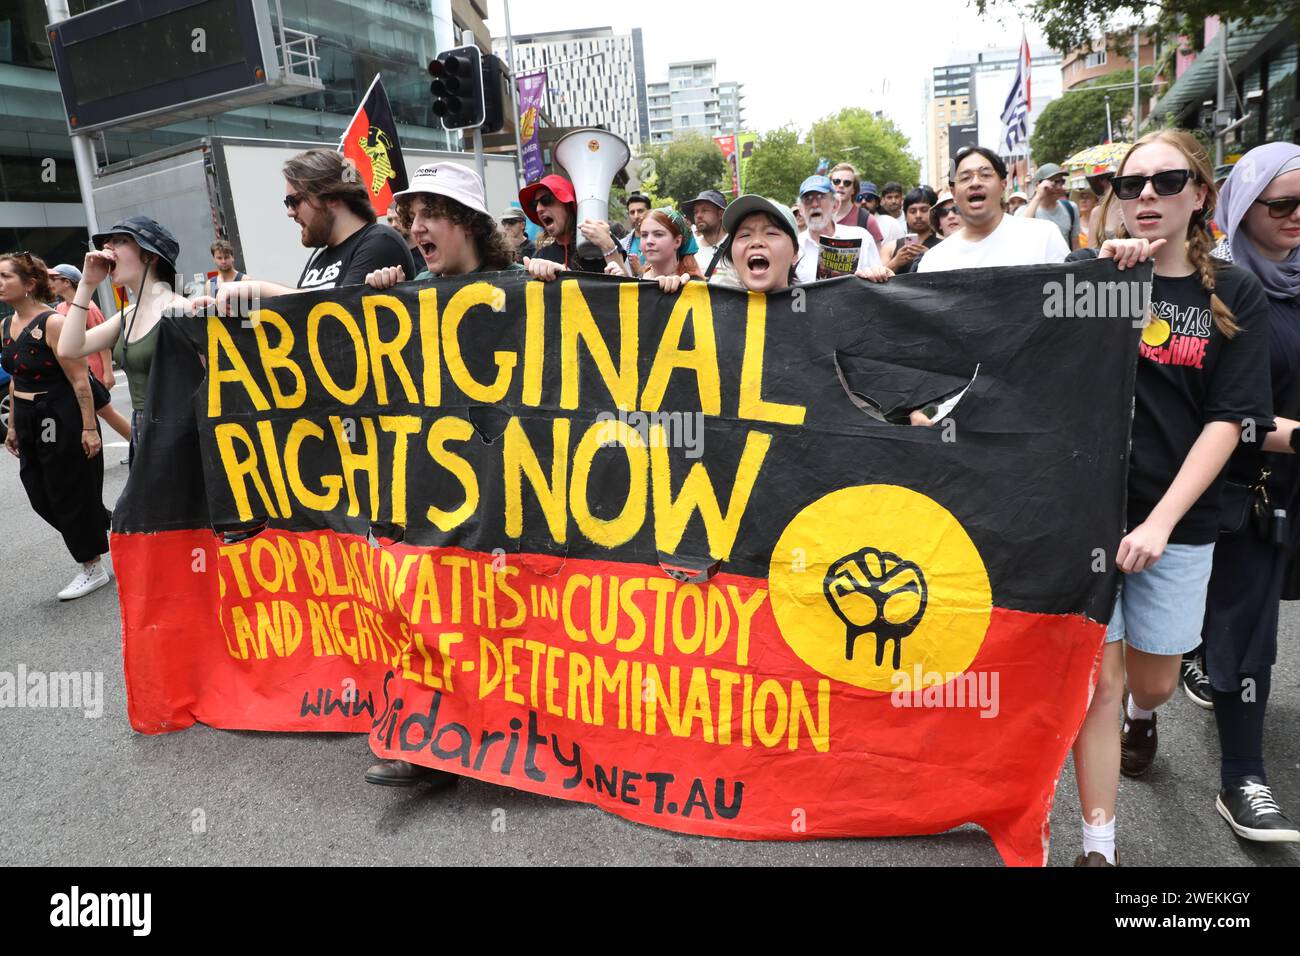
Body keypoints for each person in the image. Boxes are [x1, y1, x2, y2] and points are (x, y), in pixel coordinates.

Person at [1070, 130, 1273, 866]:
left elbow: (1230, 419)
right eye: (1130, 186)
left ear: (1200, 194)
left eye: (1165, 182)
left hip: (1177, 524)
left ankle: (1141, 717)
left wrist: (1160, 523)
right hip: (1085, 515)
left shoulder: (1236, 291)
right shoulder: (1085, 273)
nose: (1146, 196)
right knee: (1098, 677)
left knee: (1150, 681)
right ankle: (1100, 846)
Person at [360, 162, 520, 790]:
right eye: (412, 217)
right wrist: (378, 299)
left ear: (468, 221)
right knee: (428, 610)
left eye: (430, 215)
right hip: (433, 487)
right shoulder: (406, 293)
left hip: (513, 487)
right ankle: (427, 744)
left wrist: (556, 282)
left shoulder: (524, 286)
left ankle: (514, 733)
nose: (416, 229)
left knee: (505, 618)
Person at [1192, 143, 1300, 843]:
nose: (1297, 218)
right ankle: (1244, 777)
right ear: (1242, 206)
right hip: (1249, 486)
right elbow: (1212, 408)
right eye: (1283, 205)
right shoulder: (1222, 291)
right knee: (1245, 632)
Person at [1, 252, 112, 600]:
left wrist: (89, 429)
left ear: (29, 284)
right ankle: (98, 521)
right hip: (29, 418)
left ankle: (91, 566)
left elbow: (80, 382)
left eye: (5, 276)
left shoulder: (54, 323)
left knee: (67, 490)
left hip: (60, 415)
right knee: (38, 492)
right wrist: (14, 427)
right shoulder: (4, 327)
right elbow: (15, 381)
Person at [195, 148, 415, 313]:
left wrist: (256, 288)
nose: (290, 212)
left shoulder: (380, 242)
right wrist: (231, 309)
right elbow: (300, 316)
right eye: (287, 203)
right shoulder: (319, 257)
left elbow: (336, 313)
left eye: (295, 201)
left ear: (332, 197)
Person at [56, 217, 188, 466]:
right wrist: (86, 284)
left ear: (150, 256)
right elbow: (68, 348)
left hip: (181, 431)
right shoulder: (127, 315)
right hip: (143, 427)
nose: (108, 249)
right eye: (107, 243)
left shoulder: (181, 309)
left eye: (120, 241)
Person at [918, 148, 1069, 272]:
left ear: (1002, 185)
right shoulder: (934, 262)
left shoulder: (1044, 236)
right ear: (954, 192)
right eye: (965, 178)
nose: (975, 182)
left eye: (985, 175)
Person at [47, 264, 130, 442]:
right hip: (75, 371)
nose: (49, 283)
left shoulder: (89, 307)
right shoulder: (61, 308)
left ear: (67, 282)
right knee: (97, 413)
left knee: (105, 413)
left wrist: (108, 372)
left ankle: (136, 443)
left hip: (91, 372)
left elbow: (103, 342)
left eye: (53, 278)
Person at [521, 173, 625, 281]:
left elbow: (629, 287)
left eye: (546, 200)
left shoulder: (602, 239)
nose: (538, 209)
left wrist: (608, 246)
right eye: (535, 205)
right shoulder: (540, 256)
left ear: (568, 205)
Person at [795, 174, 884, 285]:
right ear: (801, 210)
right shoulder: (794, 247)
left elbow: (879, 283)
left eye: (821, 197)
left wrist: (876, 274)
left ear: (835, 205)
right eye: (807, 199)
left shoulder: (861, 237)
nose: (814, 204)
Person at [720, 195, 801, 293]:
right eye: (745, 235)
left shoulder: (813, 307)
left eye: (771, 233)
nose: (756, 242)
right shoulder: (712, 307)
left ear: (795, 252)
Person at [624, 208, 703, 291]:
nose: (649, 241)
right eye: (644, 235)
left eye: (658, 234)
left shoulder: (693, 284)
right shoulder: (637, 283)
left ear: (677, 241)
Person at [1018, 163, 1081, 250]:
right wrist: (1038, 196)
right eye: (1054, 182)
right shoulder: (1025, 211)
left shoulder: (1071, 208)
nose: (1059, 187)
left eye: (1061, 182)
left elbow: (1076, 246)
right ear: (1038, 185)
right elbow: (1018, 233)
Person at [883, 186, 939, 273]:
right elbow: (877, 279)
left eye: (924, 210)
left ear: (933, 212)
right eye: (913, 211)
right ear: (905, 215)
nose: (918, 215)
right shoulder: (890, 247)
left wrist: (931, 257)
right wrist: (896, 262)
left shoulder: (943, 246)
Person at [829, 164, 887, 245]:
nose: (841, 185)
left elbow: (877, 256)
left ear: (854, 189)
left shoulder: (867, 220)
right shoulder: (819, 217)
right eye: (836, 181)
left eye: (847, 183)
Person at [681, 189, 728, 273]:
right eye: (695, 212)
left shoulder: (735, 245)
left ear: (720, 214)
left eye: (705, 210)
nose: (698, 215)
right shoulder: (690, 249)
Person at [620, 191, 651, 277]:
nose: (636, 216)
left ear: (649, 212)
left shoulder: (661, 241)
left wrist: (640, 270)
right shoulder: (622, 244)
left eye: (640, 211)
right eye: (632, 212)